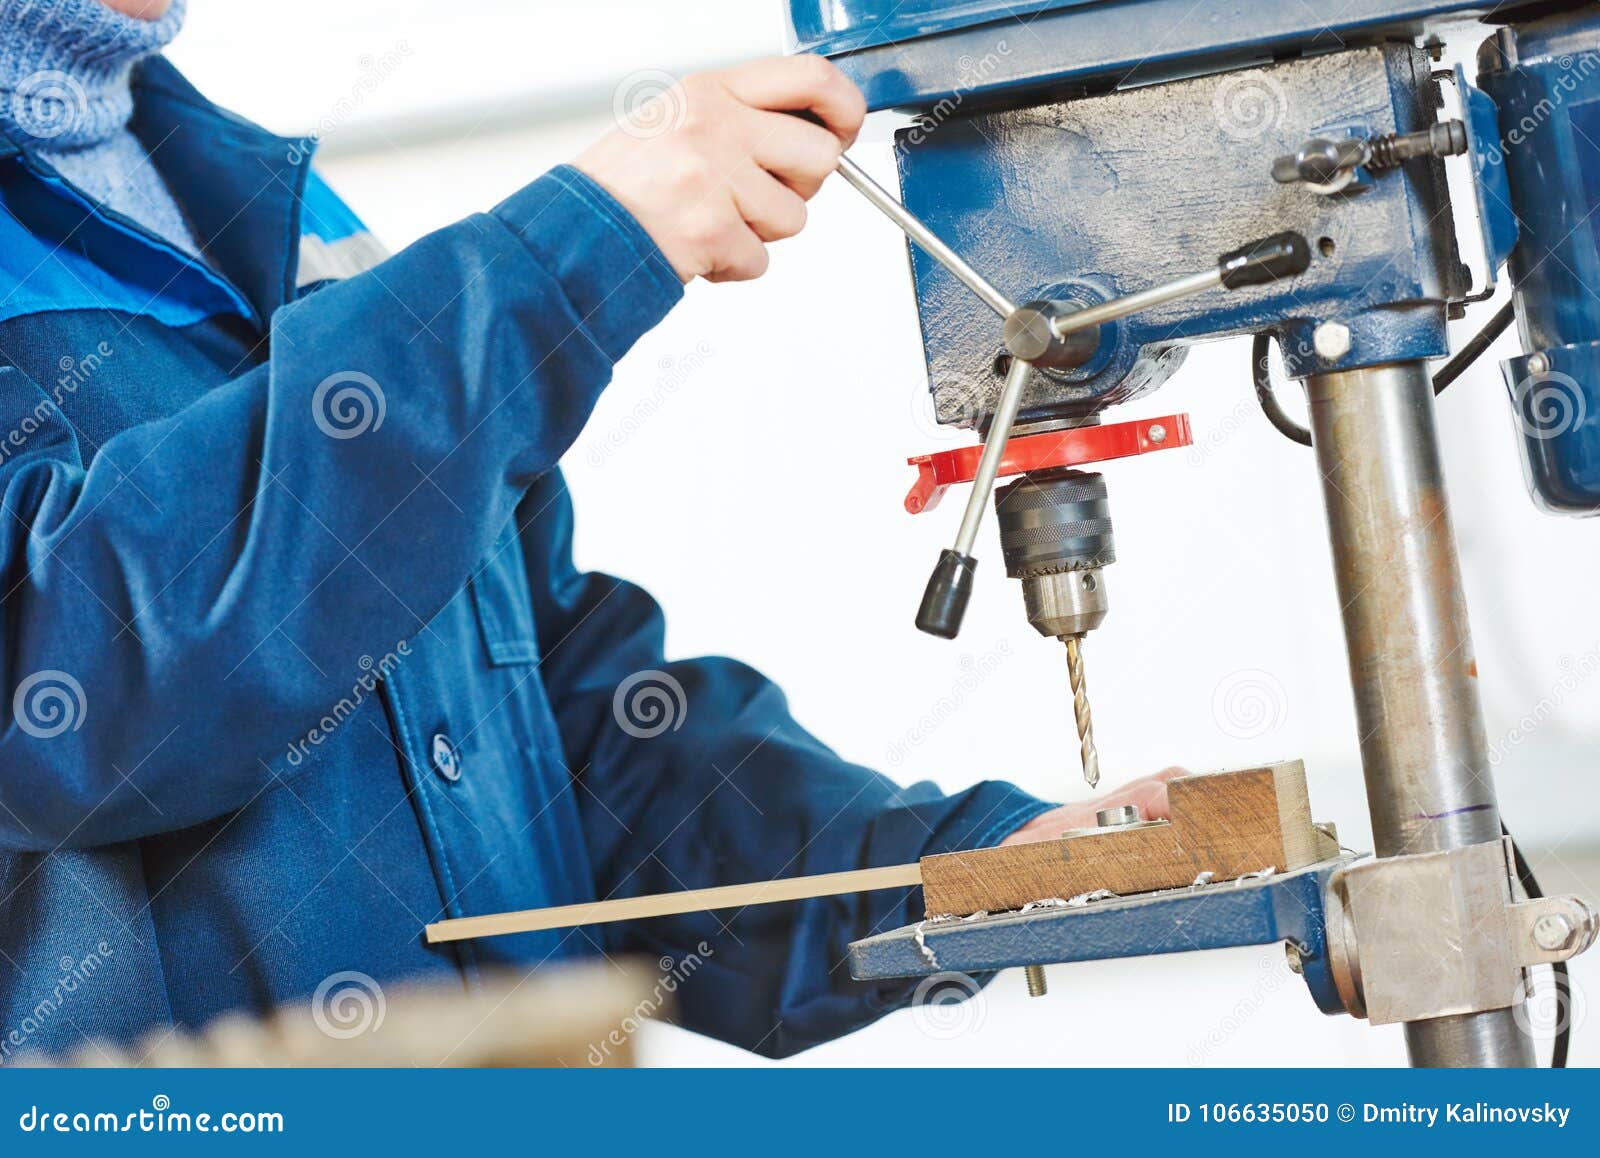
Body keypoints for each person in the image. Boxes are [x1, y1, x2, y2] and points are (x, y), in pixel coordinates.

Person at [0, 0, 1176, 1061]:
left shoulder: (271, 201)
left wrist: (960, 871)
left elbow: (563, 734)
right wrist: (563, 261)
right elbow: (67, 675)